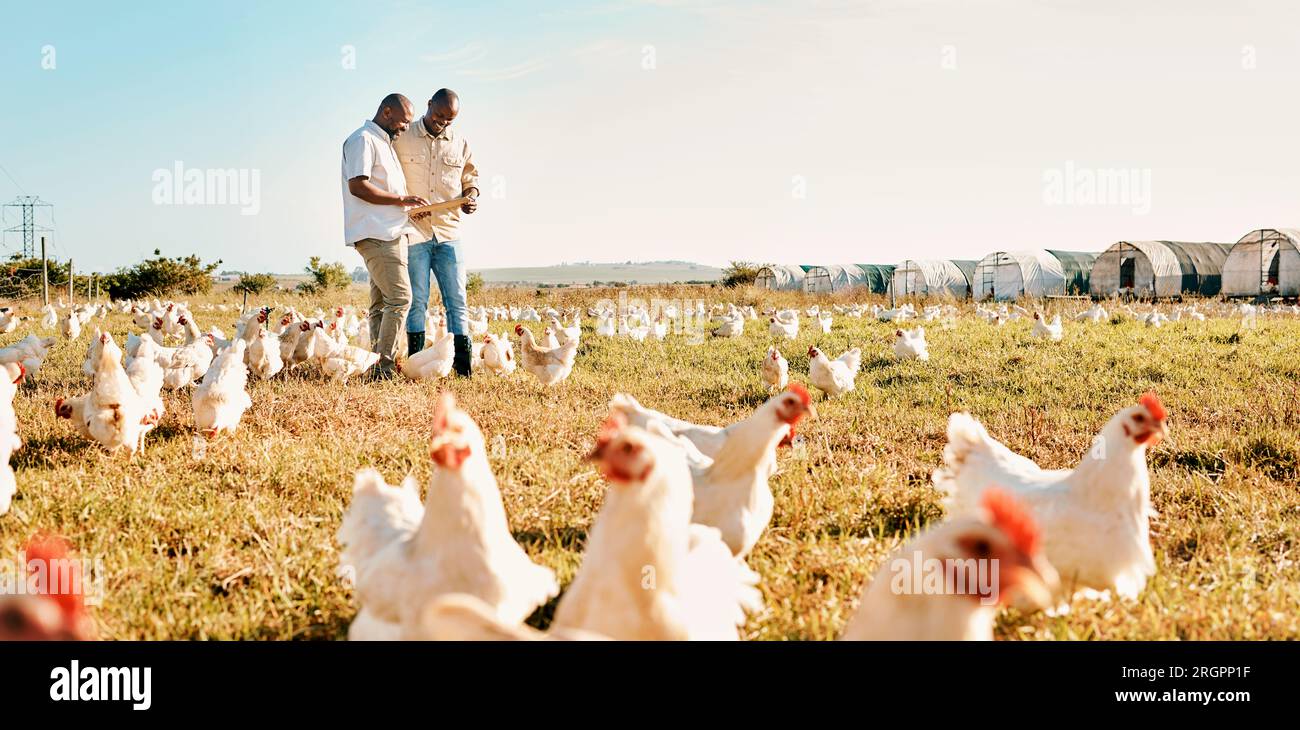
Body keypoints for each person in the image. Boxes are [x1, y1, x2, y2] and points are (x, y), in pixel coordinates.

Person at [341, 93, 427, 381]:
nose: (405, 128)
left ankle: (374, 364)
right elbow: (358, 186)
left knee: (381, 304)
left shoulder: (384, 143)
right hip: (376, 233)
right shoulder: (363, 139)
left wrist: (407, 207)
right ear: (386, 112)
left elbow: (386, 194)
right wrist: (401, 199)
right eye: (403, 122)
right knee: (401, 298)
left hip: (390, 231)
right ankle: (384, 369)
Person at [393, 88, 479, 376]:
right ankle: (416, 366)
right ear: (428, 106)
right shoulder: (402, 137)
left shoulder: (461, 143)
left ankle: (463, 370)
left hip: (449, 232)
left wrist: (471, 194)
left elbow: (470, 175)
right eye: (439, 116)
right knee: (417, 300)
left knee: (457, 300)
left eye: (449, 120)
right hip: (414, 231)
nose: (442, 123)